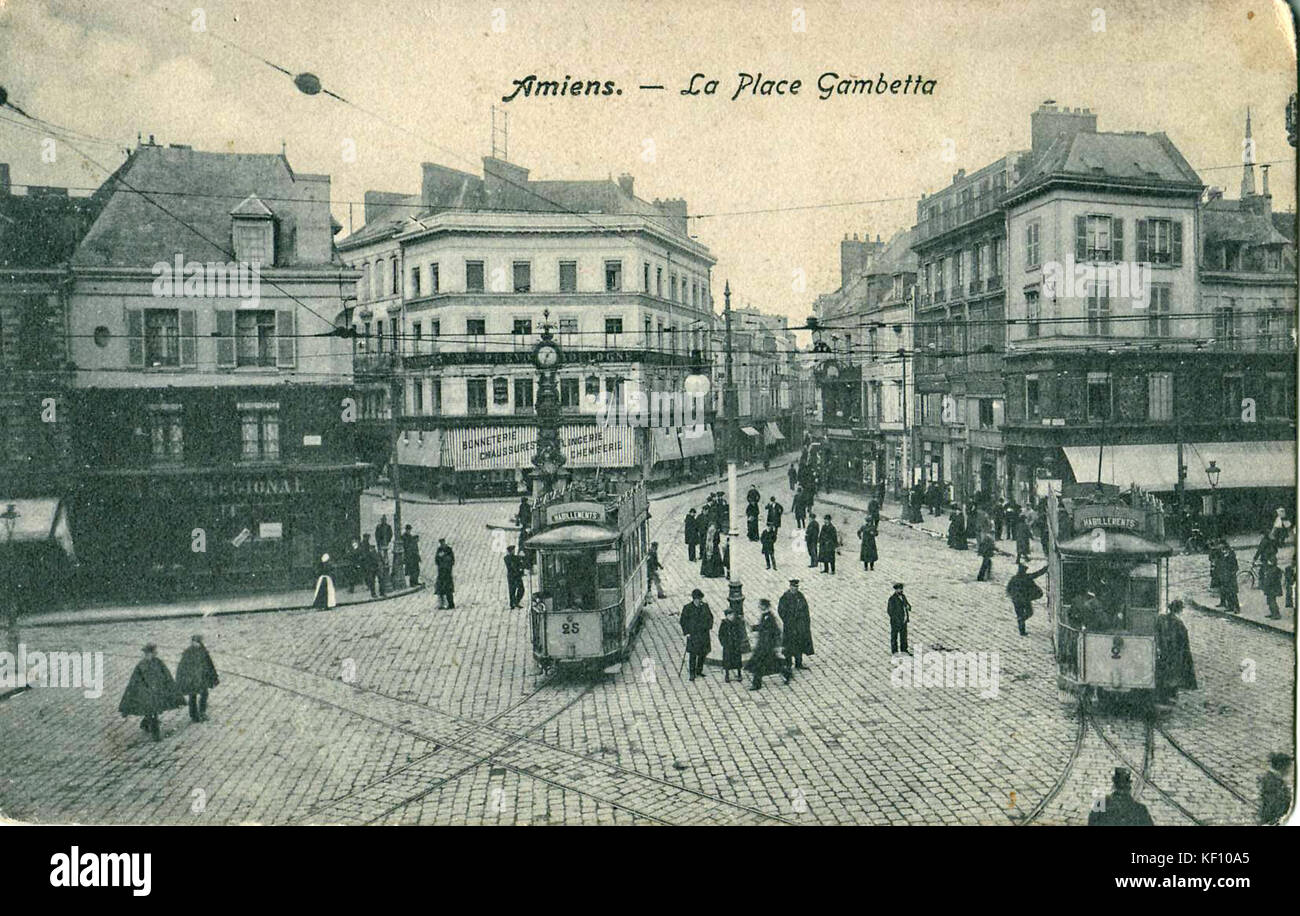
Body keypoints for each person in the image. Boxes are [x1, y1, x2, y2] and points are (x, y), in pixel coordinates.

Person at [118, 644, 184, 742]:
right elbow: (135, 682)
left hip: (158, 691)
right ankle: (156, 736)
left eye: (153, 653)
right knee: (153, 712)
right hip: (147, 693)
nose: (153, 654)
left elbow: (166, 675)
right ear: (147, 653)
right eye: (151, 653)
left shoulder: (158, 662)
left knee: (152, 712)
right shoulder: (141, 665)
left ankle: (145, 723)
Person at [1154, 600, 1197, 702]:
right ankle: (1171, 695)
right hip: (1175, 652)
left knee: (1164, 672)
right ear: (1179, 610)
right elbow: (1183, 640)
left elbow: (1157, 632)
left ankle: (1163, 694)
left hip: (1164, 650)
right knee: (1174, 674)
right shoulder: (1179, 623)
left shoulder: (1161, 618)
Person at [745, 600, 791, 690]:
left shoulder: (770, 617)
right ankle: (786, 673)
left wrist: (775, 645)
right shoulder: (764, 616)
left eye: (760, 606)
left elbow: (776, 631)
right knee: (773, 663)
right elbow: (762, 627)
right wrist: (753, 627)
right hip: (763, 645)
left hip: (767, 646)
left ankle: (757, 684)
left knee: (759, 664)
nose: (759, 607)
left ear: (764, 606)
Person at [175, 635, 219, 723]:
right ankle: (194, 716)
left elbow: (209, 664)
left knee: (204, 694)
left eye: (198, 642)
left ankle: (202, 712)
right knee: (192, 696)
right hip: (192, 680)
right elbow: (182, 667)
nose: (196, 644)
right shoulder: (188, 652)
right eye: (194, 642)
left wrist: (212, 676)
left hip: (202, 678)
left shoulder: (203, 651)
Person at [1088, 768, 1153, 826]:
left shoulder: (1100, 803)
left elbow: (1091, 822)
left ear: (1114, 786)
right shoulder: (1140, 809)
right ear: (1129, 788)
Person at [777, 579, 814, 669]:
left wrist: (805, 622)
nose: (795, 589)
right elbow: (781, 610)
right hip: (790, 625)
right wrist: (787, 620)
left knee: (799, 643)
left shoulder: (800, 596)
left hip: (800, 625)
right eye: (793, 587)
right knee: (789, 645)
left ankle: (799, 663)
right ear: (790, 587)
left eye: (796, 587)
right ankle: (788, 663)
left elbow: (805, 609)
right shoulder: (785, 597)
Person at [680, 589, 714, 681]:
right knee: (693, 654)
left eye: (700, 599)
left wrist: (709, 626)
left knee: (703, 653)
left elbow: (710, 617)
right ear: (694, 599)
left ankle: (699, 670)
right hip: (693, 635)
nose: (700, 601)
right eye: (698, 599)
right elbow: (683, 621)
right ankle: (692, 672)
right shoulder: (687, 608)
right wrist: (686, 632)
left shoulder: (705, 606)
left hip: (704, 634)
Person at [1005, 563, 1046, 636]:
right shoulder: (1027, 577)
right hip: (1025, 599)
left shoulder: (1014, 578)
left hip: (1016, 600)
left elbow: (1008, 589)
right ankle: (1022, 620)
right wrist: (1045, 569)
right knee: (1029, 612)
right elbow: (1037, 574)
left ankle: (1022, 631)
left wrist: (1012, 595)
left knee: (1019, 614)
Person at [1259, 753, 1293, 825]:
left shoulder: (1271, 778)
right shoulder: (1275, 782)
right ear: (1283, 767)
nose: (1290, 771)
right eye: (1289, 768)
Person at [718, 606, 748, 683]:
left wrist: (739, 641)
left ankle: (739, 674)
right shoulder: (724, 624)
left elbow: (740, 632)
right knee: (727, 661)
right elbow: (721, 634)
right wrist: (723, 643)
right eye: (730, 615)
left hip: (735, 645)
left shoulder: (736, 623)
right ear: (727, 616)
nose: (732, 617)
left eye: (732, 615)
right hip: (728, 645)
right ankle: (727, 675)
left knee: (737, 660)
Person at [887, 582, 911, 655]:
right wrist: (896, 619)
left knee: (903, 636)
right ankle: (895, 651)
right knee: (894, 636)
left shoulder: (903, 596)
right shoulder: (892, 599)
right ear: (896, 590)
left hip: (904, 620)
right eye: (899, 589)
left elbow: (907, 604)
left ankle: (904, 649)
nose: (900, 590)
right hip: (896, 621)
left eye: (901, 589)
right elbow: (890, 611)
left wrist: (909, 607)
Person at [434, 538, 455, 609]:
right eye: (441, 543)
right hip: (441, 572)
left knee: (448, 589)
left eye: (443, 543)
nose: (442, 544)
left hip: (447, 572)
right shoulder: (439, 550)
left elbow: (452, 560)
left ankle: (451, 604)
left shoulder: (449, 549)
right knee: (440, 589)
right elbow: (436, 560)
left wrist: (448, 566)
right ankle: (441, 604)